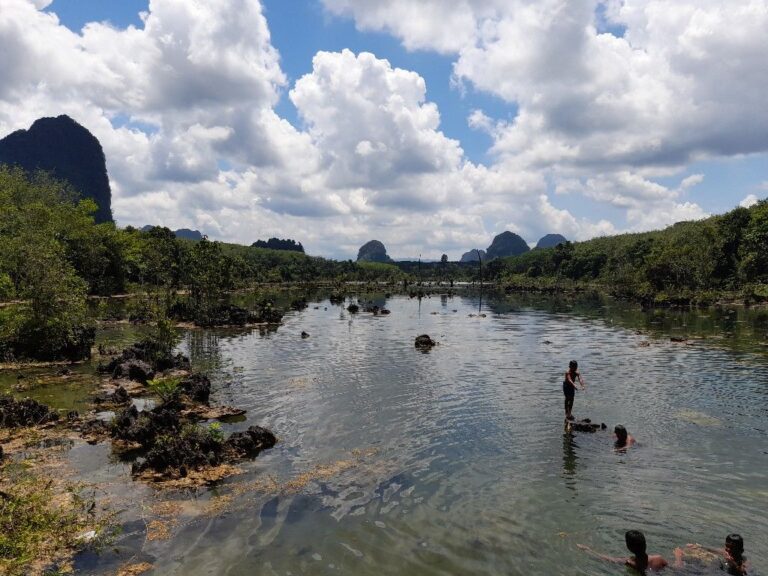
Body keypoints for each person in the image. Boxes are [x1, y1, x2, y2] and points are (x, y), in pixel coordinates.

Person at [578, 530, 669, 572]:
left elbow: (606, 558)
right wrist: (679, 556)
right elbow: (677, 568)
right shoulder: (659, 558)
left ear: (628, 547)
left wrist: (587, 549)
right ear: (645, 544)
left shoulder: (629, 563)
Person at [674, 534, 748, 575]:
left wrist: (732, 563)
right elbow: (713, 550)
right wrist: (699, 546)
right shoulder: (725, 552)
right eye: (726, 546)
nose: (728, 549)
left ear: (741, 551)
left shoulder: (743, 560)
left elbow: (743, 572)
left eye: (732, 548)